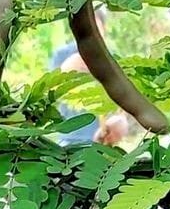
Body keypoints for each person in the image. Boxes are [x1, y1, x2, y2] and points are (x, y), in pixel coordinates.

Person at [50, 8, 128, 146]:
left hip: (102, 142)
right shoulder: (62, 55)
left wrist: (119, 122)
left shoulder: (115, 59)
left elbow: (123, 105)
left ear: (104, 28)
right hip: (69, 139)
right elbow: (52, 93)